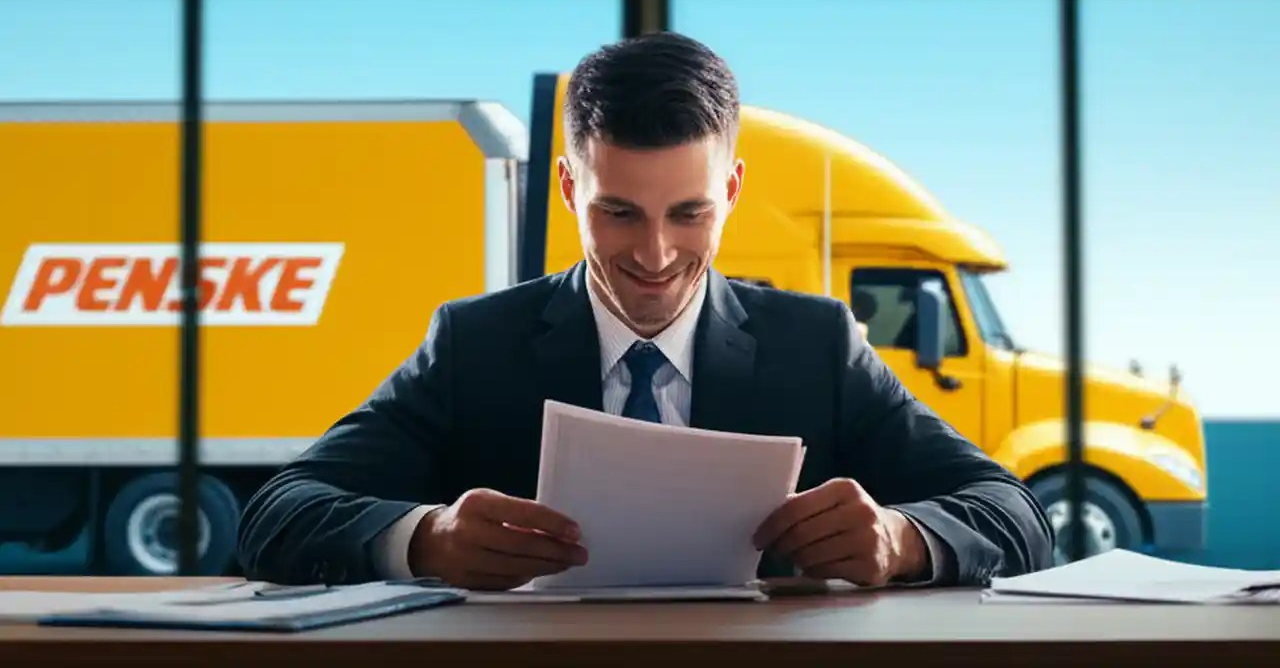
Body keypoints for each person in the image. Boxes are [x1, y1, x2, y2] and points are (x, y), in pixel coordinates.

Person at [237, 32, 1054, 589]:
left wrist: (903, 541)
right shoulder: (474, 344)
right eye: (619, 212)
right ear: (568, 189)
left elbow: (1015, 513)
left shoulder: (817, 345)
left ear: (731, 192)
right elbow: (278, 515)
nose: (656, 255)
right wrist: (424, 538)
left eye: (689, 214)